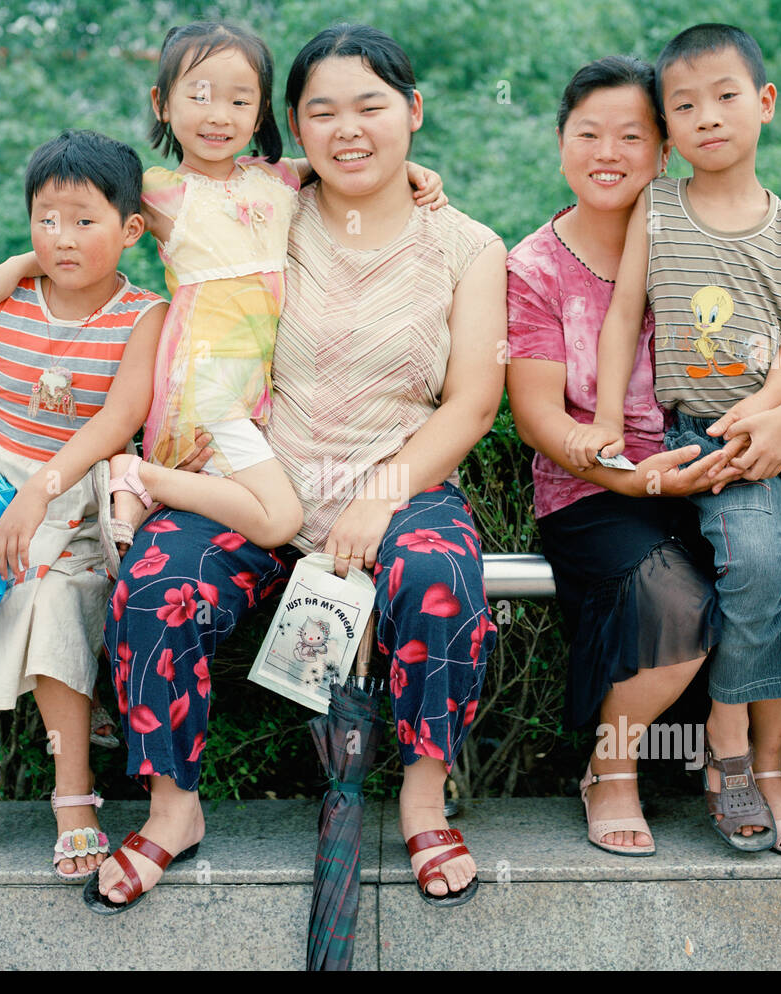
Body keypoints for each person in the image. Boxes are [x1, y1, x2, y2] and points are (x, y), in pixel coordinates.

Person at [86, 23, 507, 914]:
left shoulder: (470, 246)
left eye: (370, 107)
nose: (348, 129)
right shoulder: (269, 209)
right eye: (323, 112)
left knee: (438, 576)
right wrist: (16, 263)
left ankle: (423, 801)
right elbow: (94, 217)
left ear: (414, 110)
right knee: (158, 583)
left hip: (399, 481)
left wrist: (381, 496)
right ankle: (173, 810)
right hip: (256, 479)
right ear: (294, 126)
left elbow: (472, 403)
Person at [567, 24, 781, 866]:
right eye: (684, 106)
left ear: (765, 103)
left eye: (726, 97)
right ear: (668, 127)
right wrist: (606, 420)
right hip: (715, 444)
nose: (708, 117)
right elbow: (623, 316)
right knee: (755, 573)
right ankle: (733, 750)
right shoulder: (657, 209)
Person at [507, 56, 781, 858]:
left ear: (664, 149)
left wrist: (777, 418)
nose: (607, 153)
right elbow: (539, 418)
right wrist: (628, 472)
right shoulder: (533, 268)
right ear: (560, 143)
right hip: (597, 490)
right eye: (588, 134)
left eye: (631, 136)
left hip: (716, 465)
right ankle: (611, 770)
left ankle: (752, 768)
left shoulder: (703, 231)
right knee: (676, 600)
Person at [0, 21, 446, 558]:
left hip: (251, 387)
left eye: (239, 101)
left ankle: (143, 497)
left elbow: (340, 162)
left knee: (237, 503)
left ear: (260, 114)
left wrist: (407, 167)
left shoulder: (277, 179)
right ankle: (136, 475)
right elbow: (90, 227)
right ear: (162, 103)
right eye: (199, 96)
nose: (219, 115)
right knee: (279, 518)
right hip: (206, 384)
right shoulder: (161, 191)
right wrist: (19, 264)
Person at [0, 129, 171, 882]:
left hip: (77, 501)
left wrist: (43, 490)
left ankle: (74, 795)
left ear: (130, 228)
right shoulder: (0, 301)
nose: (62, 237)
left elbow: (116, 421)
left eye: (85, 220)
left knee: (58, 599)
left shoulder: (144, 316)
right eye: (46, 219)